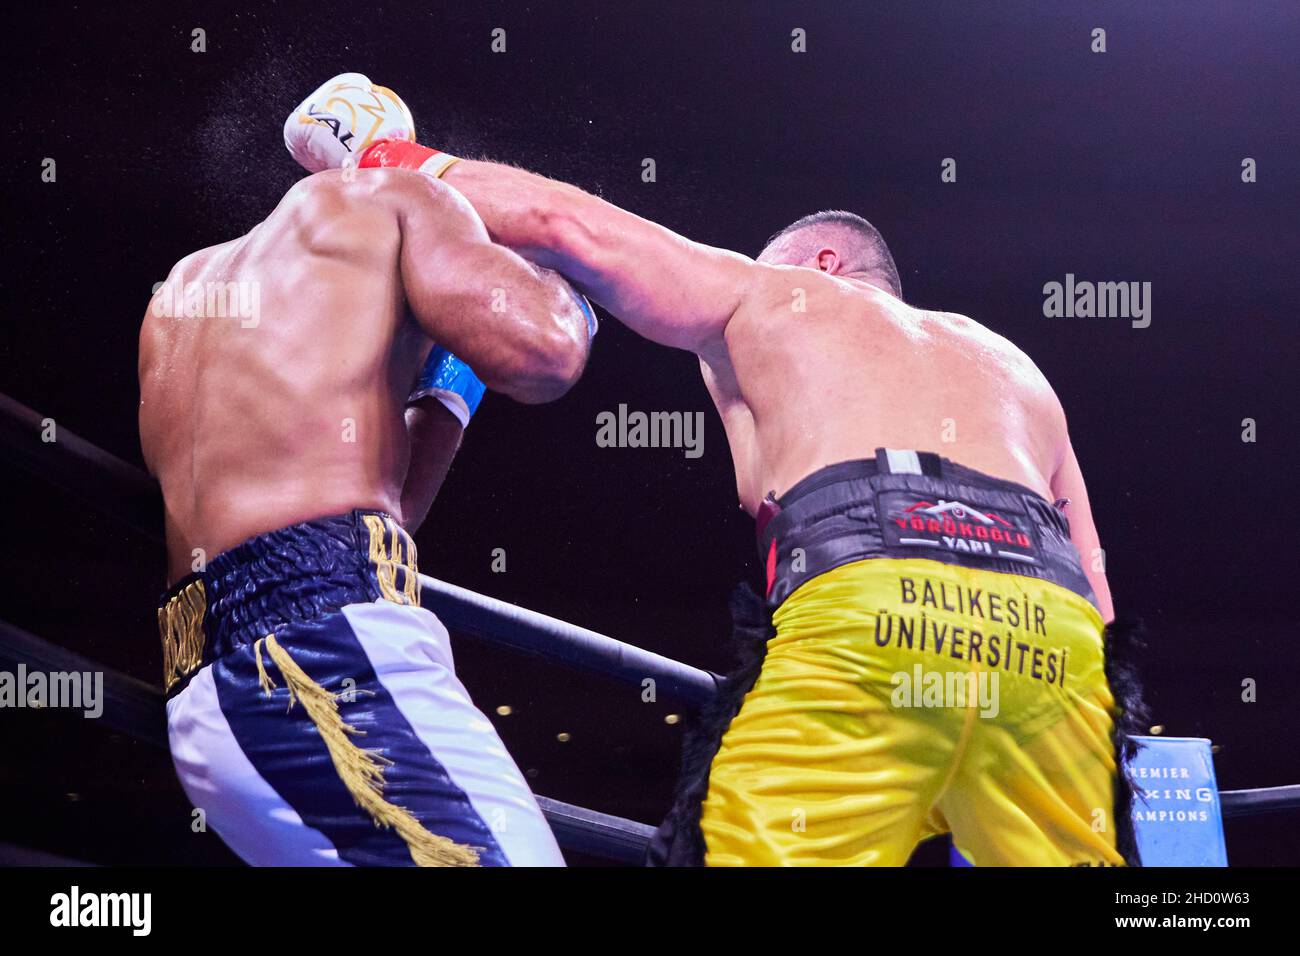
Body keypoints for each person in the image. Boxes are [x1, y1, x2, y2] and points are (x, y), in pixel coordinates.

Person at [287, 75, 1138, 866]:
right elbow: (1098, 589)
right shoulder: (1015, 369)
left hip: (872, 604)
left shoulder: (773, 295)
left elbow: (566, 227)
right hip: (1053, 654)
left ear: (824, 266)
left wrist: (389, 160)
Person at [141, 75, 596, 866]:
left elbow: (386, 508)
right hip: (322, 658)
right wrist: (563, 289)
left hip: (205, 690)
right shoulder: (402, 201)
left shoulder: (184, 287)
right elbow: (544, 350)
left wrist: (450, 383)